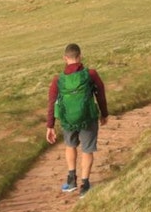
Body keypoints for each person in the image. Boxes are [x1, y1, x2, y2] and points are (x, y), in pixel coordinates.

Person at [45, 43, 109, 196]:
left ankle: (71, 180)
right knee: (87, 150)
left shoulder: (58, 80)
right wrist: (104, 114)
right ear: (80, 56)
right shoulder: (91, 74)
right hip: (89, 118)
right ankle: (85, 185)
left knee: (70, 146)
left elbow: (52, 102)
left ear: (65, 58)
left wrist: (50, 126)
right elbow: (100, 94)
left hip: (68, 121)